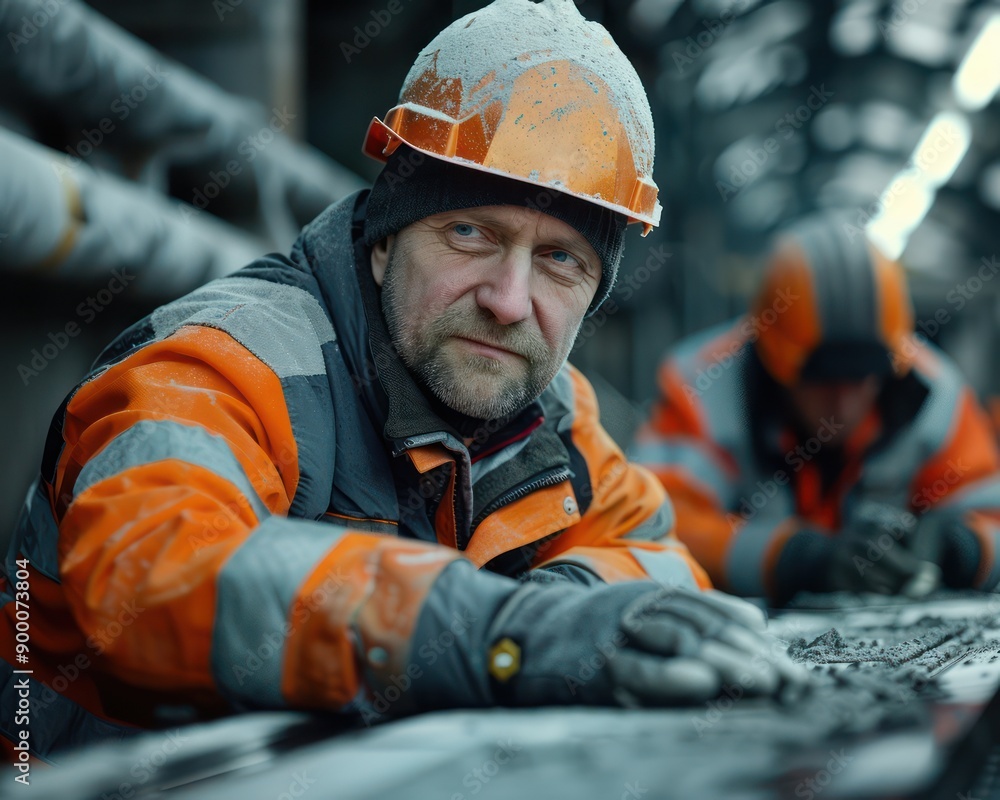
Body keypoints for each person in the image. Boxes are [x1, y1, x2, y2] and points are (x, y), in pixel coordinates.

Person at [1, 0, 802, 763]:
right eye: (469, 231)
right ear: (385, 241)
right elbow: (152, 573)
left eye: (562, 259)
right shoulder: (221, 365)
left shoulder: (549, 415)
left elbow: (658, 555)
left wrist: (561, 609)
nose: (509, 301)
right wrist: (497, 634)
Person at [632, 213, 1000, 604]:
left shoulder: (935, 397)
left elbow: (993, 519)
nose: (843, 404)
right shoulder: (701, 387)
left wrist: (960, 547)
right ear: (772, 359)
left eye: (861, 379)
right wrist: (795, 559)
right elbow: (655, 528)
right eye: (821, 380)